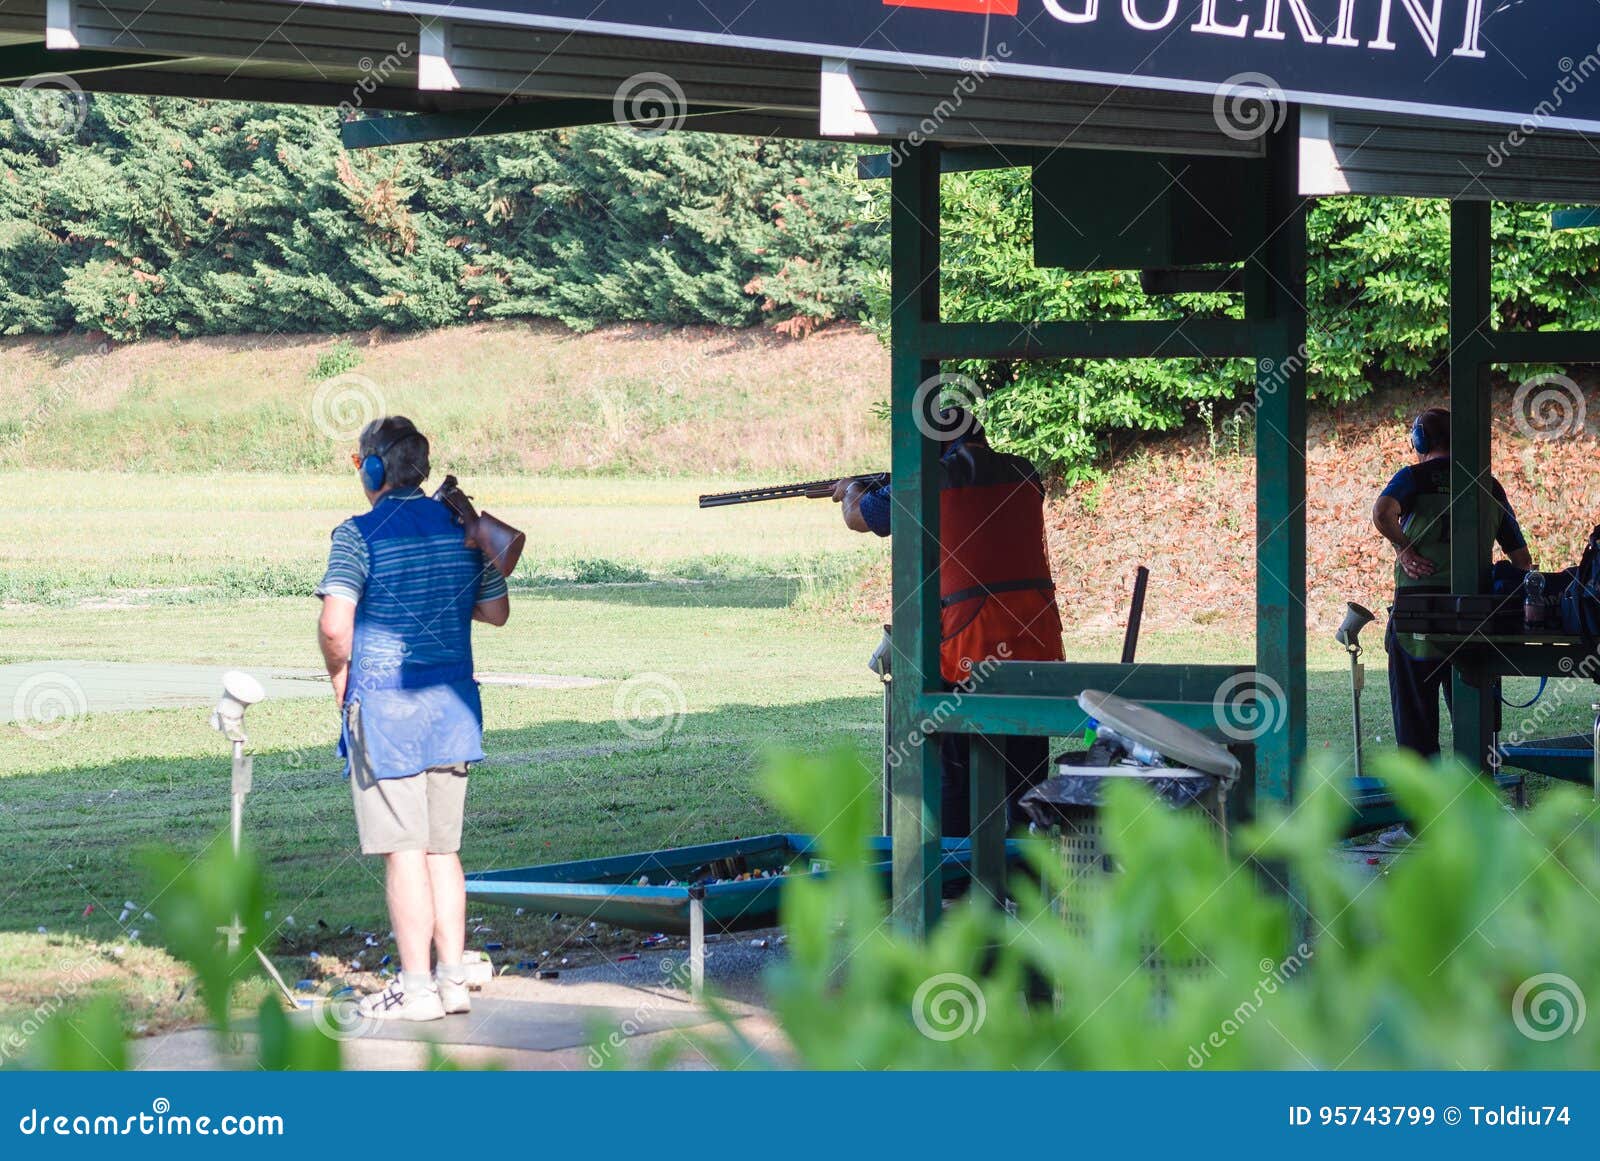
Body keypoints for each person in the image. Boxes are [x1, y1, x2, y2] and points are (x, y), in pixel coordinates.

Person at [316, 416, 511, 1022]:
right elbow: (496, 610)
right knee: (442, 851)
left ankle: (416, 988)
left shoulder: (357, 535)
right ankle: (452, 981)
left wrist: (338, 677)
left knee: (404, 850)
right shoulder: (463, 531)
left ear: (374, 469)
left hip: (389, 713)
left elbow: (333, 625)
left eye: (360, 463)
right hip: (452, 711)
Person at [834, 412, 1065, 837]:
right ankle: (1025, 878)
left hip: (967, 653)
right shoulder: (1024, 472)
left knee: (954, 779)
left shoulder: (928, 480)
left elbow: (858, 517)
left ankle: (957, 885)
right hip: (1036, 647)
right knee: (1026, 779)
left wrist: (853, 487)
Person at [1371, 407, 1531, 844]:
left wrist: (1405, 549)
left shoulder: (1414, 478)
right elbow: (1522, 561)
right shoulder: (1489, 486)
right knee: (1475, 718)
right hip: (1474, 619)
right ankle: (1476, 817)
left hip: (1417, 619)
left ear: (1420, 441)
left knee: (1415, 720)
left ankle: (1423, 826)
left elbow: (1382, 512)